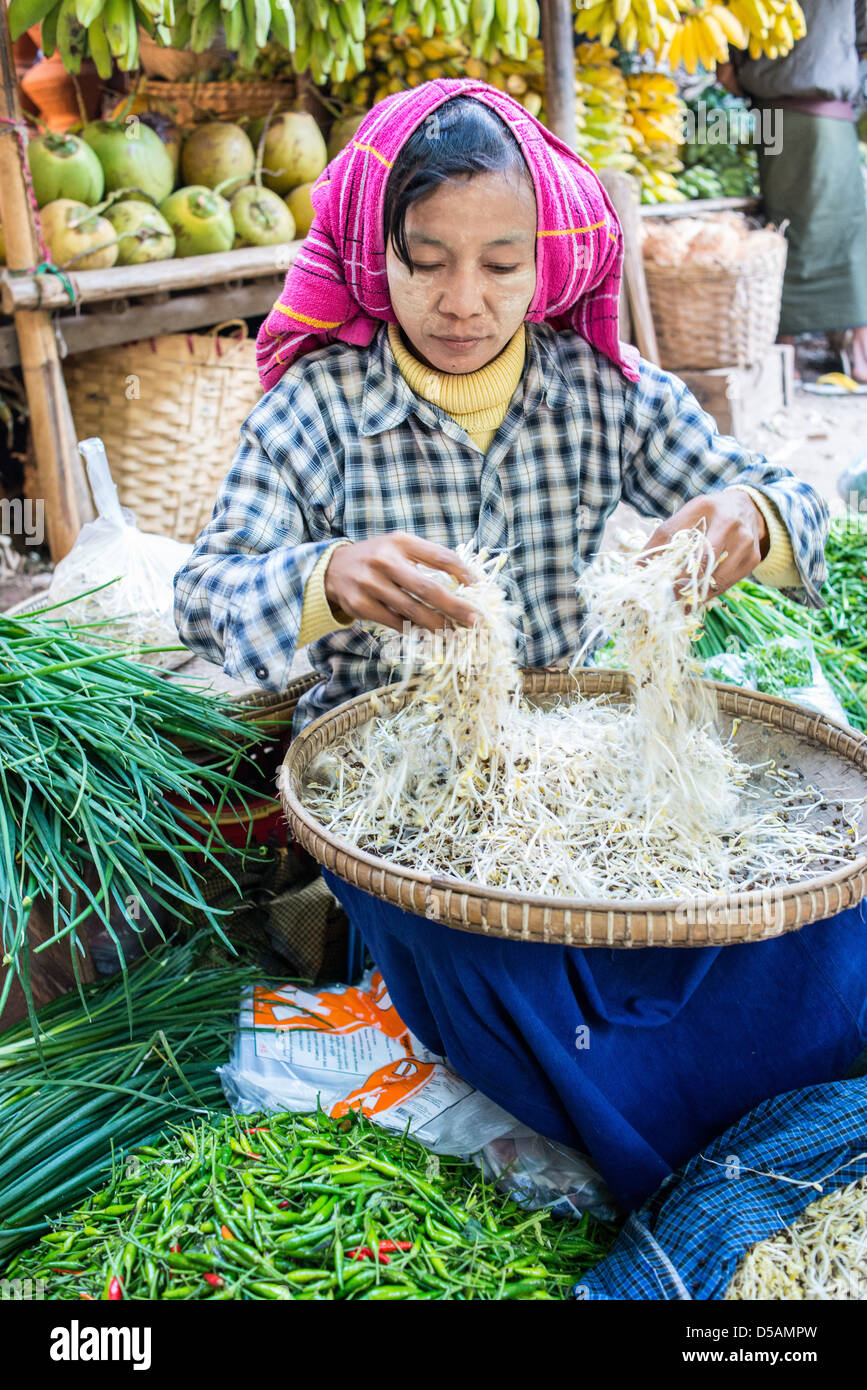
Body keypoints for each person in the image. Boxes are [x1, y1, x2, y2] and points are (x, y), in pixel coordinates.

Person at [174, 82, 867, 1210]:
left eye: (502, 263)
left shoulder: (601, 391)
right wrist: (324, 578)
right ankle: (644, 1162)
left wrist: (755, 521)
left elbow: (785, 487)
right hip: (398, 801)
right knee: (502, 960)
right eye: (426, 258)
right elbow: (204, 594)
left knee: (802, 922)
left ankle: (709, 1132)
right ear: (372, 252)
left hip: (575, 767)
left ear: (545, 262)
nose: (463, 300)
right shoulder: (317, 410)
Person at [722, 0, 867, 380]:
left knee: (797, 224)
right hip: (794, 110)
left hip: (793, 109)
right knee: (803, 225)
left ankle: (800, 344)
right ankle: (792, 345)